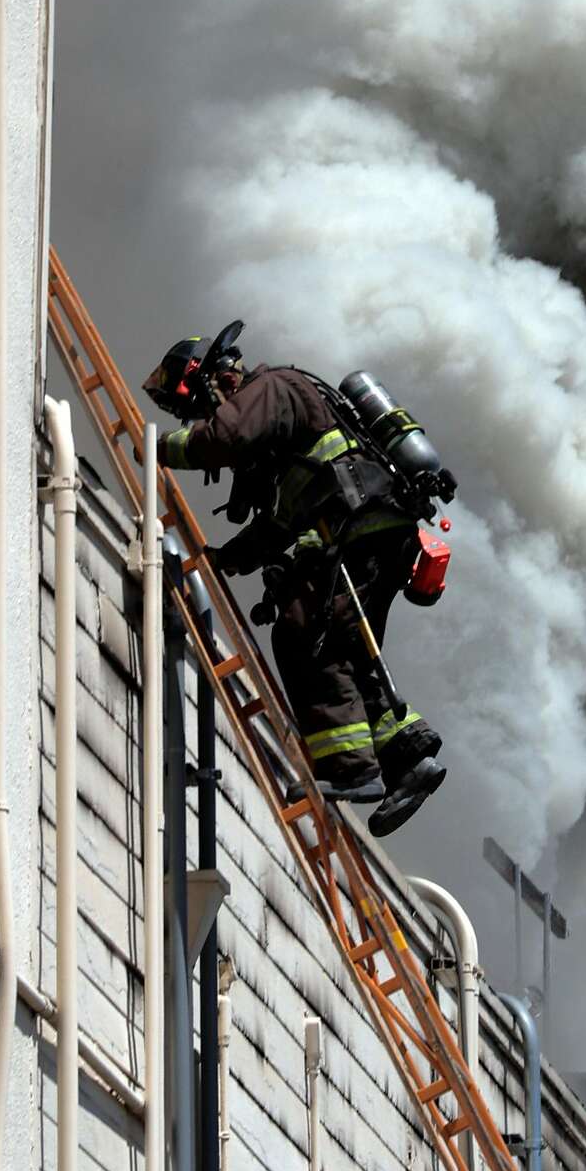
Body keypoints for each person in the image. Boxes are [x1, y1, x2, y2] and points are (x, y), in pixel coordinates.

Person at [143, 323, 447, 837]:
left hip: (361, 527)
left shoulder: (271, 388)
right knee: (350, 647)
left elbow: (223, 438)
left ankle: (352, 771)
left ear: (215, 379)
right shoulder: (282, 427)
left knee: (306, 636)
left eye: (197, 408)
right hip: (372, 530)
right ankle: (407, 759)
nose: (201, 419)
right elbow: (282, 520)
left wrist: (158, 447)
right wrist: (230, 557)